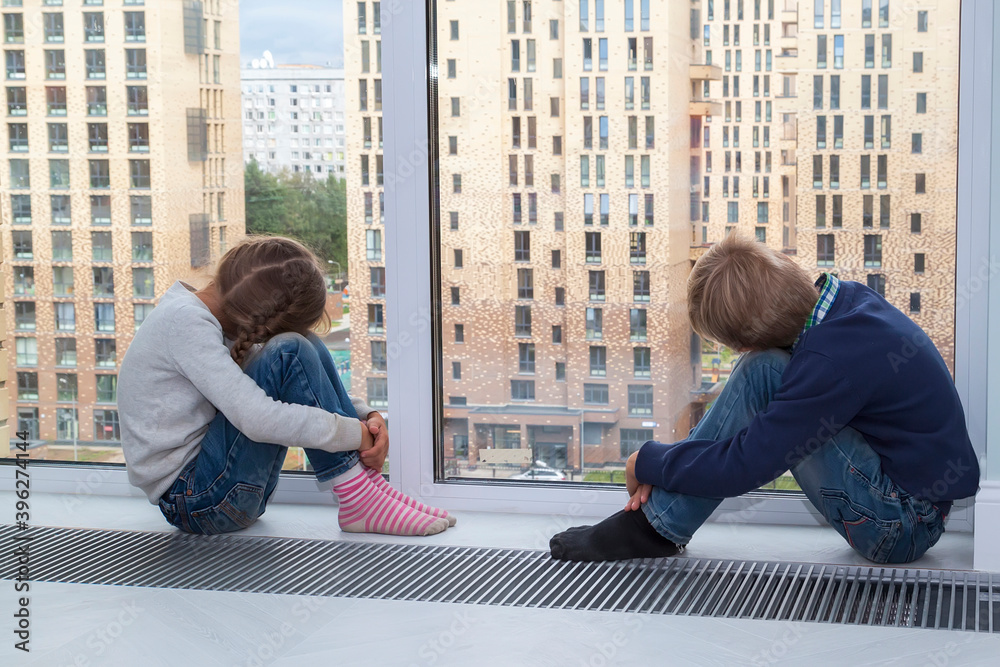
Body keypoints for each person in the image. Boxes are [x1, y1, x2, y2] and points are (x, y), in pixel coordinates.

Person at [550, 234, 979, 563]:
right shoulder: (848, 306)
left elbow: (743, 466)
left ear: (747, 342)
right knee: (765, 373)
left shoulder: (831, 363)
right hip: (909, 503)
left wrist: (646, 460)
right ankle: (657, 525)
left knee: (761, 378)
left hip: (901, 526)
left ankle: (655, 527)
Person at [119, 236, 455, 536]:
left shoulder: (207, 315)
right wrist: (354, 434)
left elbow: (304, 385)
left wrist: (366, 417)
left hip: (222, 493)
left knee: (303, 343)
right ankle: (359, 497)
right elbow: (257, 418)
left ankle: (367, 490)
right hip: (198, 501)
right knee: (291, 350)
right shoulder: (184, 321)